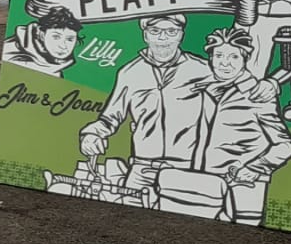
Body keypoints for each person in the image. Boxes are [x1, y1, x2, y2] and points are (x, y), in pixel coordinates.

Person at [158, 26, 291, 226]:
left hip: (244, 184)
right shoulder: (203, 90)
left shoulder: (257, 96)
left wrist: (255, 168)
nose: (225, 63)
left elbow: (285, 145)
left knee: (243, 236)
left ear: (245, 59)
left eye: (234, 57)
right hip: (207, 181)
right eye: (219, 55)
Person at [77, 13, 209, 204]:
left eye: (171, 31)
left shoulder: (203, 70)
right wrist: (91, 134)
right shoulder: (130, 73)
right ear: (145, 34)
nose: (163, 38)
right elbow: (110, 118)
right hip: (141, 169)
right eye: (155, 31)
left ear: (181, 34)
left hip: (185, 169)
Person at [3, 8, 82, 76]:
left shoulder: (57, 63)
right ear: (42, 35)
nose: (63, 46)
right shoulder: (12, 55)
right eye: (56, 37)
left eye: (70, 39)